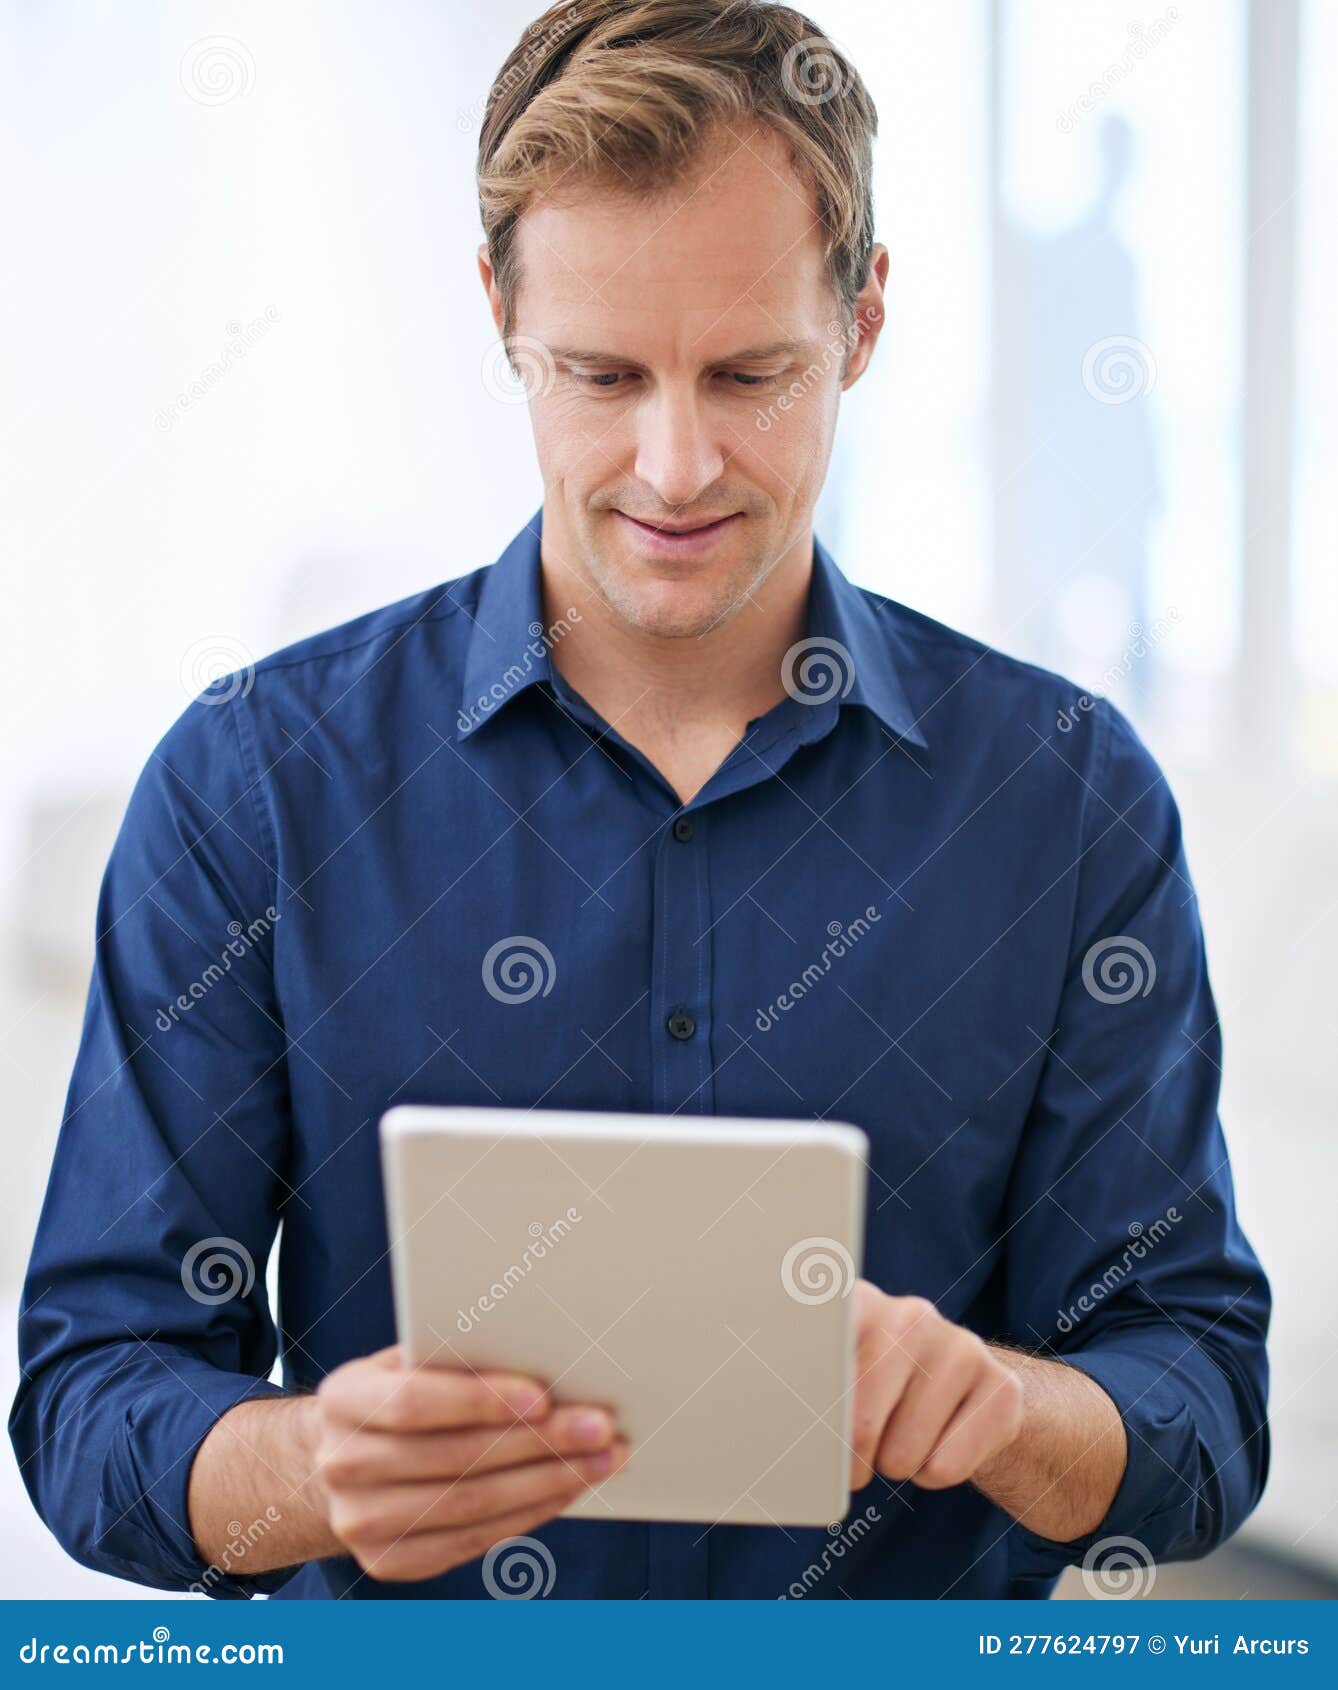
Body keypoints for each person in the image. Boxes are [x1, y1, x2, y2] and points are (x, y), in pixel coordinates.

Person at [11, 0, 1268, 1600]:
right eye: (601, 374)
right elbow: (92, 1400)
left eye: (749, 373)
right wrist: (312, 1470)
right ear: (501, 316)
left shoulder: (1066, 804)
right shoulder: (253, 785)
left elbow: (1200, 1397)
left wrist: (1010, 1413)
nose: (674, 467)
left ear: (863, 320)